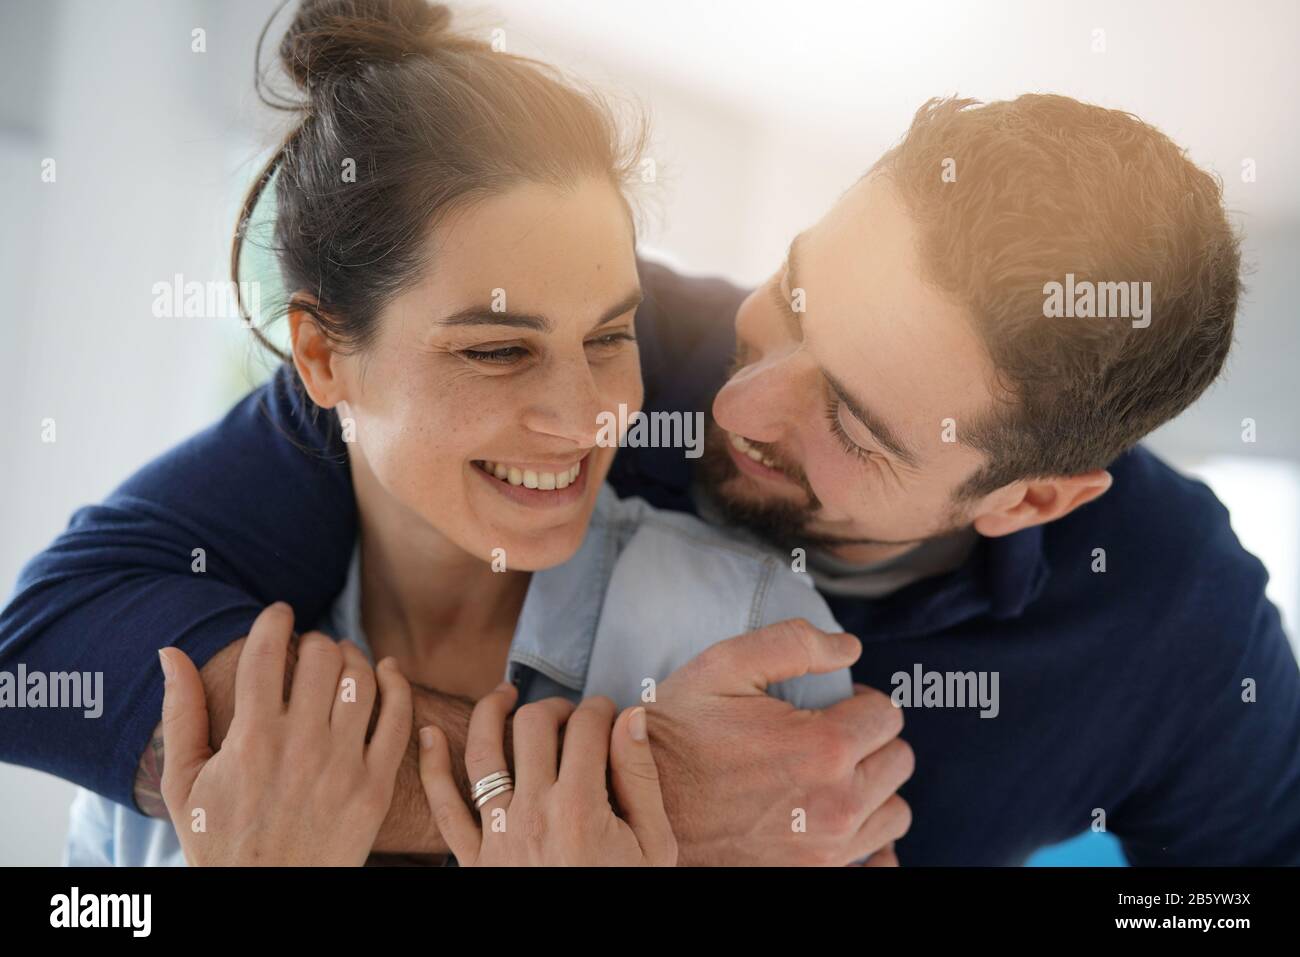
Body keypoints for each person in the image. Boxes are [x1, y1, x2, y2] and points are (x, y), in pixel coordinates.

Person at [5, 15, 1298, 866]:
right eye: (791, 295)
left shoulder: (1178, 618)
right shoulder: (604, 344)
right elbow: (46, 647)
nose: (736, 406)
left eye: (848, 420)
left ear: (1031, 499)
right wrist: (644, 792)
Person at [53, 0, 890, 866]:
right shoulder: (185, 709)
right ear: (322, 357)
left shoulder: (748, 631)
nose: (585, 414)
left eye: (609, 336)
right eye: (496, 349)